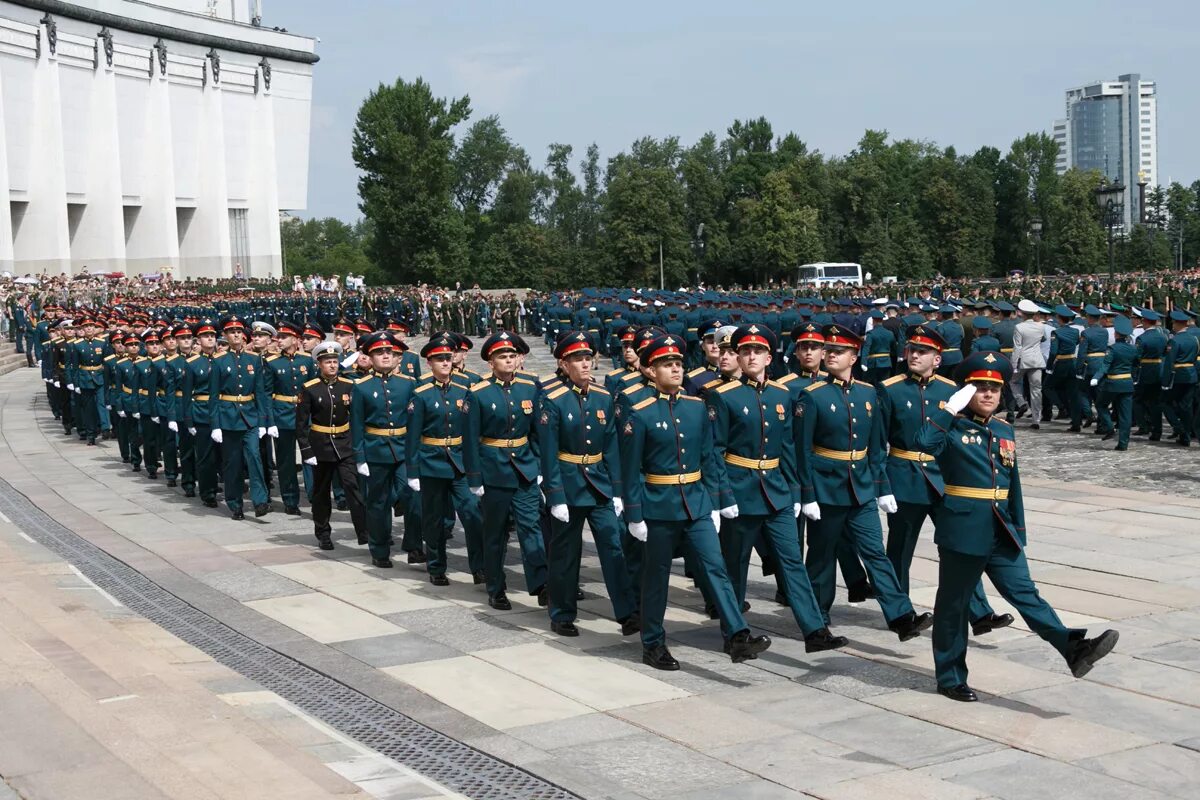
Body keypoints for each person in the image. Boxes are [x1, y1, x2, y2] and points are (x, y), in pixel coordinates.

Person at [916, 351, 1119, 702]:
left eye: (994, 388)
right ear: (967, 391)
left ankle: (1072, 648)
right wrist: (949, 409)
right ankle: (950, 677)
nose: (989, 394)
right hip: (964, 529)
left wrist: (1019, 530)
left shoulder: (1003, 429)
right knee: (955, 605)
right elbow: (923, 444)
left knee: (1025, 592)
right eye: (980, 387)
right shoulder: (950, 427)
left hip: (1000, 528)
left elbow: (1014, 487)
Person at [620, 333, 772, 669]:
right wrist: (634, 515)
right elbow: (629, 469)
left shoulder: (697, 407)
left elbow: (709, 458)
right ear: (649, 371)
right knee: (656, 577)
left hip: (697, 502)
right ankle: (653, 643)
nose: (674, 369)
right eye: (665, 364)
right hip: (659, 506)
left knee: (716, 569)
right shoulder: (639, 414)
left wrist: (718, 501)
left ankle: (737, 636)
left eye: (677, 363)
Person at [707, 325, 848, 653]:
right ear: (739, 358)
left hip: (777, 490)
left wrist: (799, 491)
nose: (751, 356)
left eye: (758, 352)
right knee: (735, 564)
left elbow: (788, 448)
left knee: (792, 561)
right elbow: (714, 451)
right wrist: (721, 496)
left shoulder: (782, 395)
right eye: (745, 352)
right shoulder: (722, 396)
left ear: (770, 357)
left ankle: (814, 630)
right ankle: (735, 633)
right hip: (740, 491)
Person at [795, 324, 932, 640]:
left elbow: (876, 446)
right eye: (828, 350)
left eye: (838, 351)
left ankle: (901, 616)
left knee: (875, 554)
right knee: (821, 555)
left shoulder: (869, 393)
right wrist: (807, 493)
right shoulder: (812, 395)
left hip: (861, 487)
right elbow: (802, 449)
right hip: (826, 488)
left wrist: (882, 487)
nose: (830, 355)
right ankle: (818, 617)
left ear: (854, 357)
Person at [876, 324, 1012, 636]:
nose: (914, 355)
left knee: (958, 547)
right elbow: (877, 440)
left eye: (923, 352)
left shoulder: (952, 390)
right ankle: (901, 614)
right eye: (912, 349)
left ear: (937, 359)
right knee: (900, 550)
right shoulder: (891, 388)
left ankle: (978, 613)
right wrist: (881, 485)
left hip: (941, 479)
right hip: (904, 476)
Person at [539, 331, 639, 637]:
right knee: (566, 554)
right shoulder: (553, 400)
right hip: (568, 485)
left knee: (613, 547)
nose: (585, 364)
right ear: (563, 363)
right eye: (577, 359)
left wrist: (618, 491)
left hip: (599, 485)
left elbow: (611, 447)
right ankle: (562, 613)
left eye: (588, 358)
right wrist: (554, 495)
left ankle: (627, 612)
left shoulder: (604, 397)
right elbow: (548, 452)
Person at [464, 332, 549, 610]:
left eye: (512, 356)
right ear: (491, 361)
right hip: (493, 471)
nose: (509, 360)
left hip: (524, 469)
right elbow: (471, 439)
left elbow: (537, 431)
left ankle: (541, 584)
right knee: (495, 533)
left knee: (531, 527)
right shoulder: (478, 393)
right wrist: (475, 478)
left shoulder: (530, 387)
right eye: (503, 356)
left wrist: (538, 465)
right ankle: (496, 587)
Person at [406, 333, 485, 583]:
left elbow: (473, 431)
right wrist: (413, 471)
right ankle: (437, 566)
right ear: (429, 363)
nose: (445, 363)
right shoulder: (421, 394)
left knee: (473, 514)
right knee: (434, 519)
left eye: (448, 358)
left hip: (460, 463)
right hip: (432, 462)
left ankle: (479, 566)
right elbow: (413, 436)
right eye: (439, 359)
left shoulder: (465, 390)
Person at [298, 341, 367, 550]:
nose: (332, 365)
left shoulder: (348, 386)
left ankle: (364, 532)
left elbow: (356, 418)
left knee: (353, 488)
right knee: (321, 493)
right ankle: (323, 533)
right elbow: (301, 424)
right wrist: (306, 450)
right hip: (321, 446)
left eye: (335, 361)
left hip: (345, 444)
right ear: (319, 364)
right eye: (328, 362)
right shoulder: (310, 388)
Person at [210, 315, 271, 520]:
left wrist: (263, 421)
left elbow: (261, 392)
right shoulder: (219, 360)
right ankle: (235, 503)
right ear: (226, 336)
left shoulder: (254, 359)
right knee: (233, 463)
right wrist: (215, 424)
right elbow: (213, 395)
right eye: (231, 332)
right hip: (228, 417)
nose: (236, 335)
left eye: (239, 332)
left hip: (250, 417)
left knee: (254, 458)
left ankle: (260, 500)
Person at [263, 320, 316, 515]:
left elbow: (314, 390)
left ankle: (313, 494)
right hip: (282, 415)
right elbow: (267, 393)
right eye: (279, 337)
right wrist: (270, 420)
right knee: (286, 461)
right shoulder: (272, 362)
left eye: (284, 337)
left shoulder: (307, 360)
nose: (279, 341)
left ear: (295, 339)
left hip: (305, 415)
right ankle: (290, 499)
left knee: (311, 457)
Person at [181, 320, 221, 508]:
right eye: (206, 336)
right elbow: (187, 395)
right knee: (205, 456)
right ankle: (208, 492)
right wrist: (189, 421)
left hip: (223, 411)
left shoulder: (223, 359)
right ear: (198, 339)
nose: (210, 338)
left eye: (212, 335)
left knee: (224, 455)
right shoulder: (192, 364)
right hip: (202, 412)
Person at [1091, 316, 1136, 450]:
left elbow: (1105, 365)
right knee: (1125, 415)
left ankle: (1110, 428)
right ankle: (1123, 443)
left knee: (1100, 404)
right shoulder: (1133, 349)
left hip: (1113, 383)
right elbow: (1136, 363)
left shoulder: (1113, 349)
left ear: (1116, 333)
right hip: (1127, 382)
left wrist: (1096, 377)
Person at [1162, 310, 1198, 447]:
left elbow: (1169, 362)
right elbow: (1194, 358)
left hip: (1178, 375)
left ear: (1177, 324)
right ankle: (1187, 435)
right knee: (1186, 406)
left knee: (1165, 403)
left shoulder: (1174, 340)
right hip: (1191, 374)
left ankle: (1180, 429)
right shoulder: (1194, 339)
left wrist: (1165, 382)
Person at [1011, 300, 1049, 429]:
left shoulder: (1019, 327)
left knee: (1013, 382)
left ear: (1022, 313)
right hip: (1037, 360)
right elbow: (1043, 339)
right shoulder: (1041, 326)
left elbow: (1017, 348)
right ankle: (1036, 419)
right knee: (1036, 390)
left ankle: (1021, 402)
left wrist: (1013, 364)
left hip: (1023, 360)